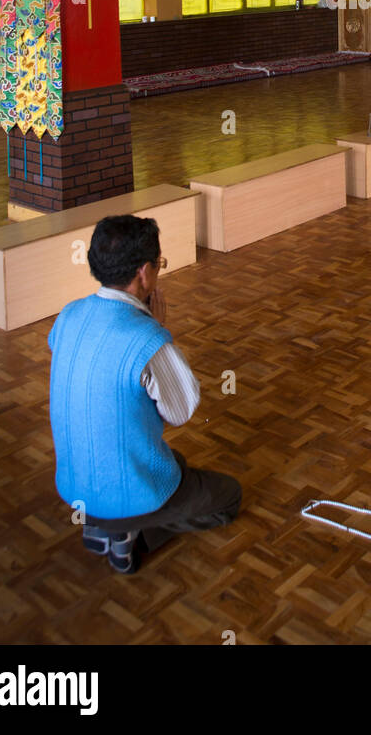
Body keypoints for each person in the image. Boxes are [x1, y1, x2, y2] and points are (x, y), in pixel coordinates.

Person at [48, 214, 242, 575]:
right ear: (143, 273)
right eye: (159, 265)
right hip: (127, 494)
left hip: (73, 485)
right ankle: (129, 535)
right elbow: (181, 410)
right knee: (228, 496)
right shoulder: (147, 340)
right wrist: (155, 329)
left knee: (174, 462)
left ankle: (99, 523)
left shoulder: (68, 315)